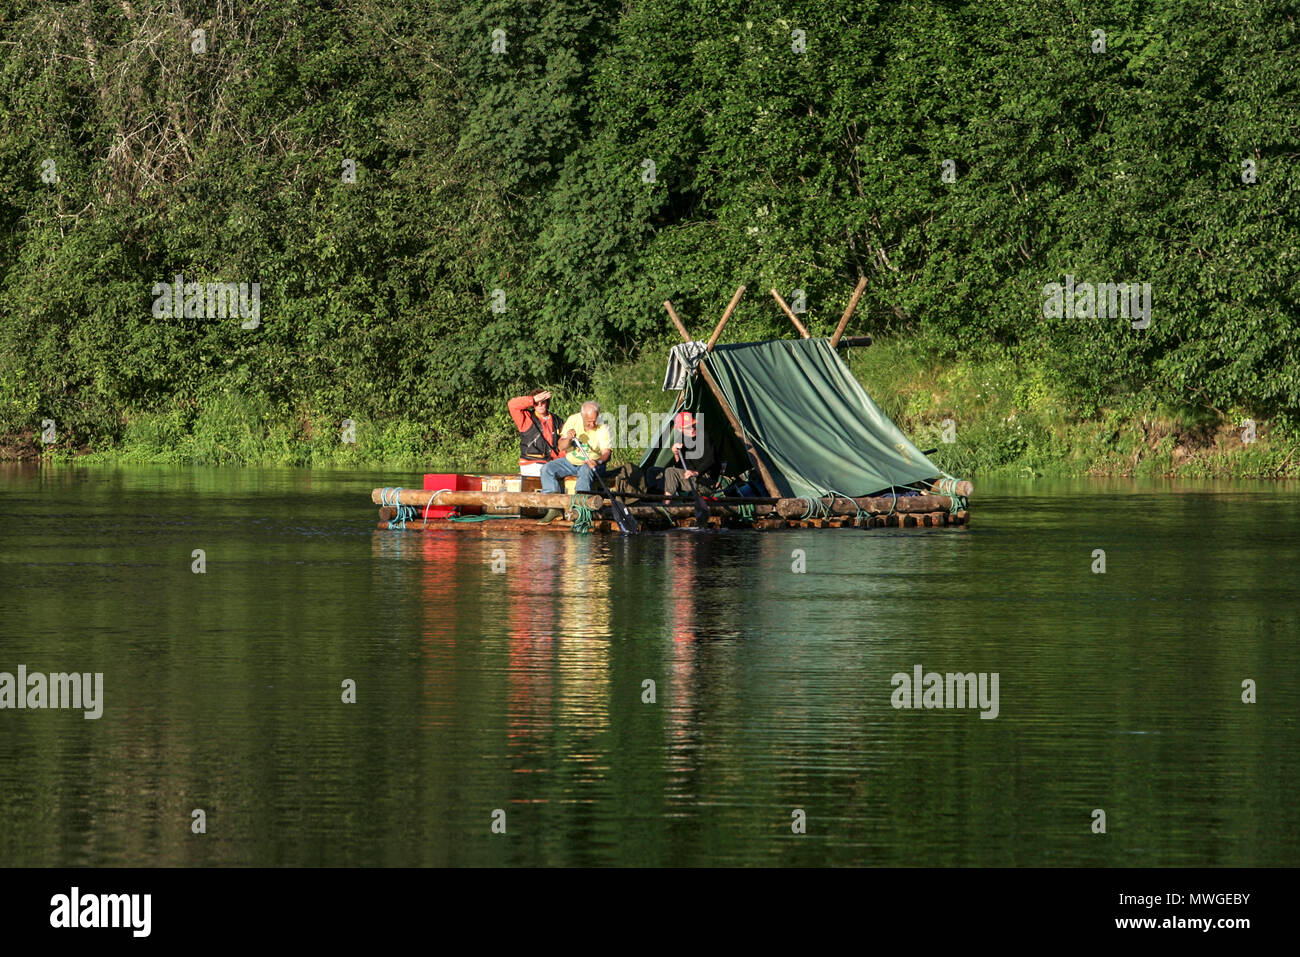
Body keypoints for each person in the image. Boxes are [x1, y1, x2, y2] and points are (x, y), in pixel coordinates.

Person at [537, 401, 613, 524]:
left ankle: (580, 510)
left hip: (592, 464)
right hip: (571, 462)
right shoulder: (573, 419)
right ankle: (554, 508)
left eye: (595, 420)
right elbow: (561, 447)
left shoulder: (603, 426)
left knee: (585, 469)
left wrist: (598, 461)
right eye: (589, 421)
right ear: (582, 416)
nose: (593, 424)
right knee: (547, 469)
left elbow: (607, 453)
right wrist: (568, 438)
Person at [662, 411, 722, 497]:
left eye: (693, 425)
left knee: (670, 471)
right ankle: (654, 499)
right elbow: (680, 468)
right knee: (652, 471)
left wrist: (696, 472)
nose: (692, 429)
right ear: (680, 429)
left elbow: (711, 459)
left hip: (704, 481)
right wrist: (676, 454)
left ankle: (667, 504)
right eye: (688, 427)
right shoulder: (682, 440)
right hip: (689, 478)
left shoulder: (704, 436)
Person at [507, 390, 563, 476]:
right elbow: (512, 405)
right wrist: (532, 399)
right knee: (548, 473)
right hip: (531, 462)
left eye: (543, 402)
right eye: (537, 403)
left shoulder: (557, 420)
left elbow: (563, 445)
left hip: (552, 463)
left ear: (547, 403)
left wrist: (561, 461)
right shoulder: (526, 418)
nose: (540, 405)